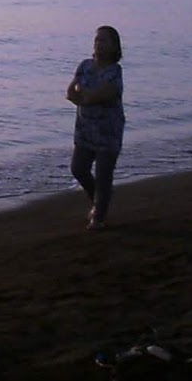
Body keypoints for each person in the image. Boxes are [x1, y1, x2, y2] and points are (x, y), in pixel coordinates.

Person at [66, 25, 125, 230]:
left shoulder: (114, 71)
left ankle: (98, 217)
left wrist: (84, 93)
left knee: (103, 174)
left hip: (108, 130)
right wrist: (83, 94)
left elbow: (99, 95)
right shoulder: (85, 66)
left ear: (114, 46)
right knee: (78, 168)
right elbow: (70, 92)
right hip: (85, 128)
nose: (99, 44)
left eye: (104, 41)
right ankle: (98, 202)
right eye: (97, 40)